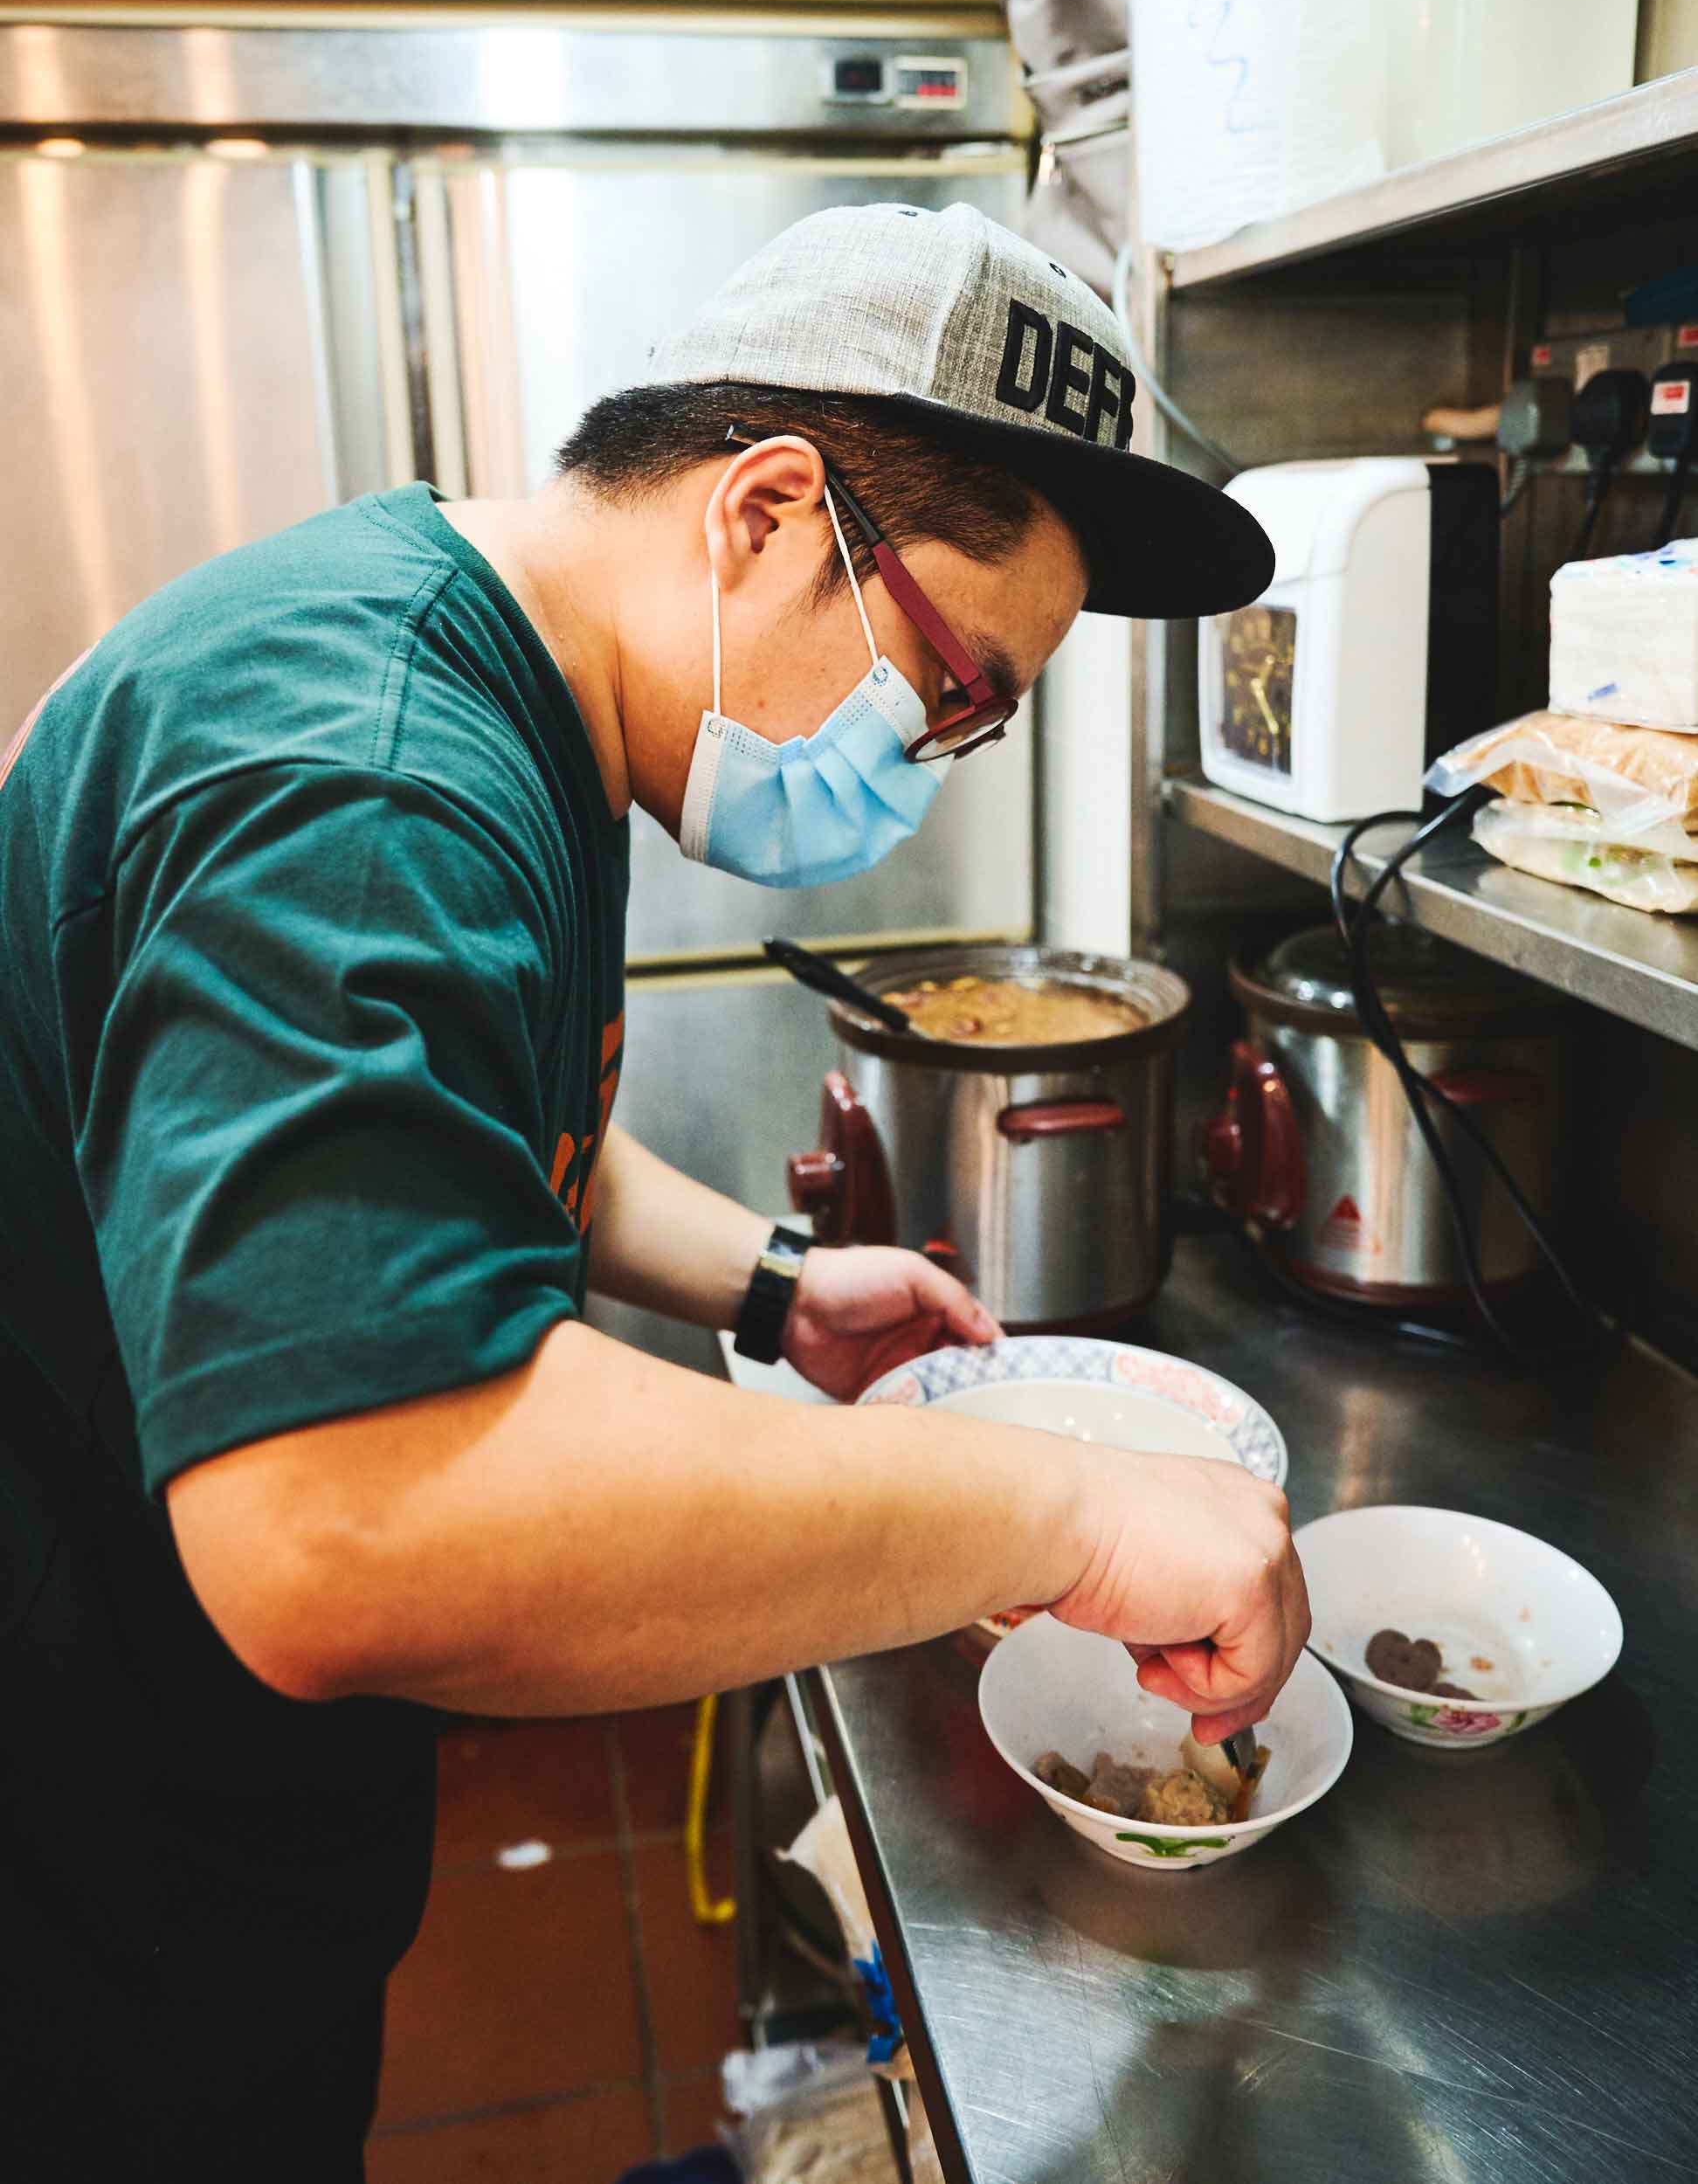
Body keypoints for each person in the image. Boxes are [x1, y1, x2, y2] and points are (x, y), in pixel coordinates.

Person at [0, 203, 1297, 2178]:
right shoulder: (368, 772)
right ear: (766, 514)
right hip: (80, 1857)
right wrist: (1077, 1511)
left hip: (193, 1793)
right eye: (952, 687)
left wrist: (773, 1283)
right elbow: (337, 1512)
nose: (935, 757)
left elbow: (472, 1126)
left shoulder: (502, 678)